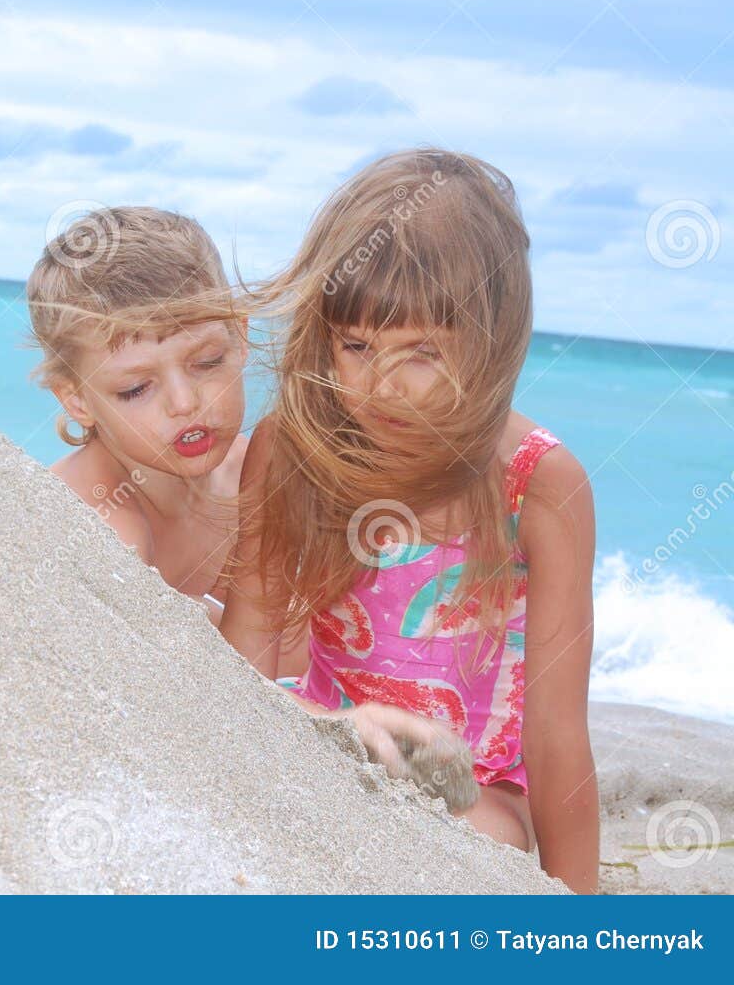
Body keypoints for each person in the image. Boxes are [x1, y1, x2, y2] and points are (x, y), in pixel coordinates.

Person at [220, 149, 600, 892]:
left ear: (488, 345)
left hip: (471, 785)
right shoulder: (294, 447)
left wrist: (581, 927)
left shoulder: (539, 485)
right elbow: (251, 638)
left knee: (477, 840)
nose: (380, 384)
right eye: (356, 346)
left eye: (423, 352)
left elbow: (556, 738)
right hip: (325, 737)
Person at [25, 206, 250, 620]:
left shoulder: (256, 473)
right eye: (136, 389)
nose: (184, 403)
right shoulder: (99, 521)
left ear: (241, 336)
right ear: (78, 401)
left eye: (207, 361)